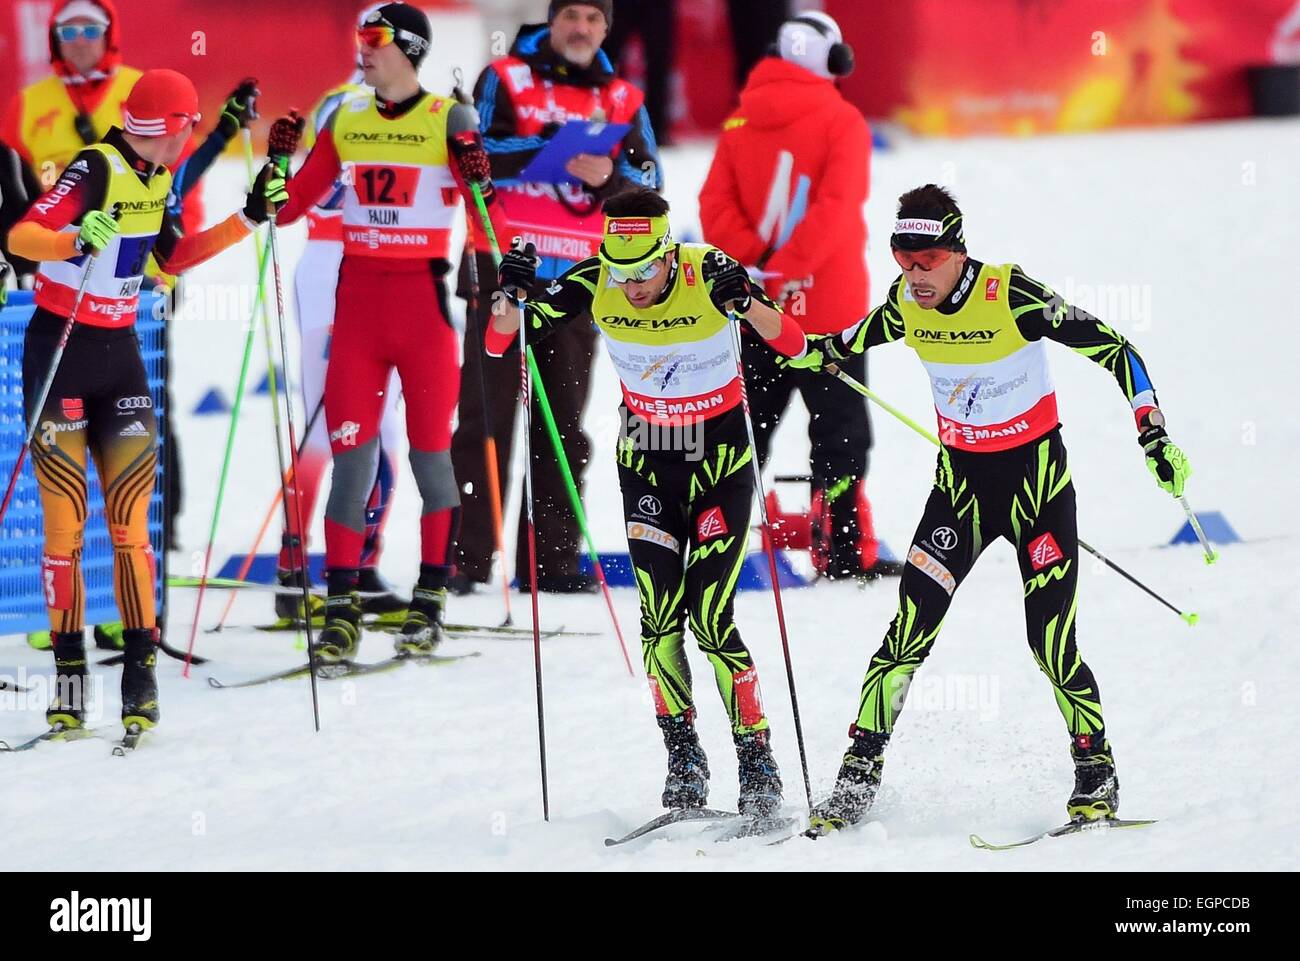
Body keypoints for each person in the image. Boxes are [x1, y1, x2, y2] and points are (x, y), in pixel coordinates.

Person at [786, 185, 1192, 833]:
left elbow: (1117, 349)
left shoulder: (1013, 295)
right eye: (902, 258)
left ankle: (1096, 771)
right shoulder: (903, 304)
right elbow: (834, 347)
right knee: (906, 634)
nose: (914, 275)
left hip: (1037, 492)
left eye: (927, 260)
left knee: (1050, 641)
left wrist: (1152, 432)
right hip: (961, 495)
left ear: (957, 251)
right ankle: (856, 779)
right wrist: (786, 339)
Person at [487, 187, 810, 816]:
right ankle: (683, 755)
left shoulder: (707, 272)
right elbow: (502, 341)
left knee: (712, 619)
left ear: (669, 251)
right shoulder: (596, 276)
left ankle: (756, 757)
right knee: (659, 619)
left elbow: (792, 342)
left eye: (645, 271)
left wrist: (745, 301)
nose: (631, 286)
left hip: (720, 460)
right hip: (646, 457)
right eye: (620, 270)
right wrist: (510, 294)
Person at [6, 68, 287, 734]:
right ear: (167, 127)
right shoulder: (96, 167)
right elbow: (20, 236)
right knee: (66, 529)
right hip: (60, 349)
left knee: (133, 530)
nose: (187, 139)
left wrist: (247, 218)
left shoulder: (158, 178)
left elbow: (174, 255)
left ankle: (139, 679)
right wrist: (73, 239)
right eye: (185, 127)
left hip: (120, 360)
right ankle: (70, 685)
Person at [273, 2, 511, 660]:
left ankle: (429, 600)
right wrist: (275, 164)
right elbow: (287, 208)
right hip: (359, 312)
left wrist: (481, 178)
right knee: (354, 462)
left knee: (431, 459)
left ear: (408, 47)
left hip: (423, 312)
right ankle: (341, 609)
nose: (363, 49)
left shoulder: (447, 118)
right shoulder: (347, 117)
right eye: (359, 37)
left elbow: (489, 220)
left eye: (374, 39)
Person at [450, 0, 662, 595]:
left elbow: (652, 184)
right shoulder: (506, 77)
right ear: (552, 20)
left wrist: (610, 175)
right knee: (483, 418)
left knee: (561, 425)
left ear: (606, 29)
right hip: (501, 268)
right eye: (571, 15)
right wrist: (550, 150)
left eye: (594, 20)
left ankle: (552, 562)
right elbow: (473, 154)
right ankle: (468, 559)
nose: (581, 29)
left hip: (578, 277)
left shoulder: (623, 97)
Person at [700, 10, 897, 581]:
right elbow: (837, 210)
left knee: (743, 430)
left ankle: (719, 544)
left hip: (757, 309)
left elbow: (714, 207)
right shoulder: (843, 120)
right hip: (831, 312)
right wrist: (789, 268)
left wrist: (760, 269)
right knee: (841, 433)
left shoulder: (739, 122)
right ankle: (840, 550)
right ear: (833, 60)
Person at [271, 64, 407, 629]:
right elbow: (316, 191)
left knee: (387, 436)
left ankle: (363, 570)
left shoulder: (415, 105)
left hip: (396, 274)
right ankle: (295, 574)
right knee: (330, 431)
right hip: (335, 270)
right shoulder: (346, 100)